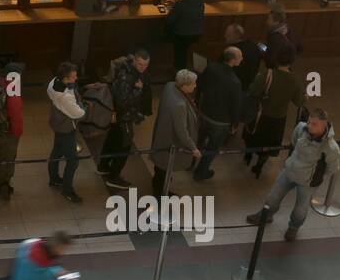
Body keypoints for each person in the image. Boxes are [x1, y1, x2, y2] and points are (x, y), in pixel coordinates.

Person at [247, 108, 340, 241]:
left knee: (300, 209)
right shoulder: (301, 128)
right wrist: (290, 163)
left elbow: (332, 168)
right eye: (309, 122)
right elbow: (293, 142)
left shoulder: (331, 147)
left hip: (308, 182)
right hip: (289, 171)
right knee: (273, 197)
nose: (309, 126)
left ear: (324, 125)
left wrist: (315, 176)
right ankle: (265, 216)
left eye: (314, 124)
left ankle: (293, 228)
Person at [242, 51, 305, 177]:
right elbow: (299, 102)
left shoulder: (267, 74)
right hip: (278, 119)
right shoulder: (294, 80)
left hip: (260, 115)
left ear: (276, 60)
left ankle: (248, 156)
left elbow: (252, 91)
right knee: (270, 144)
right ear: (291, 62)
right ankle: (258, 167)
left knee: (252, 137)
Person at [99, 48, 149, 191]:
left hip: (119, 116)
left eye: (146, 65)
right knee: (124, 146)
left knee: (113, 138)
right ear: (134, 61)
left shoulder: (129, 71)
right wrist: (138, 90)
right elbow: (123, 101)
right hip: (124, 116)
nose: (143, 68)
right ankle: (114, 177)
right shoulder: (127, 76)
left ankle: (103, 166)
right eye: (140, 64)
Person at [194, 47, 243, 181]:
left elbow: (200, 84)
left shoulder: (211, 68)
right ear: (233, 60)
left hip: (204, 113)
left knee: (198, 140)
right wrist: (235, 124)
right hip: (220, 122)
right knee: (212, 148)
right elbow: (235, 106)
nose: (242, 59)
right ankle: (201, 172)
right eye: (240, 57)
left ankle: (190, 162)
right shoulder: (235, 82)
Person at [150, 69, 200, 197]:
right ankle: (160, 196)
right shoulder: (180, 105)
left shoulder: (170, 86)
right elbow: (182, 131)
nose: (195, 85)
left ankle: (158, 187)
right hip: (170, 142)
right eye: (193, 83)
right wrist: (193, 148)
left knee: (160, 169)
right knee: (164, 171)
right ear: (184, 85)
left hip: (161, 135)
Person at [45, 62, 87, 204]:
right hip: (66, 129)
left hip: (58, 125)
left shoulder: (53, 83)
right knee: (73, 161)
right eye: (73, 77)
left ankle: (54, 179)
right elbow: (79, 114)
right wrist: (83, 105)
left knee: (56, 152)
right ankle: (67, 190)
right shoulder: (64, 97)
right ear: (65, 79)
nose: (75, 79)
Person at [0, 61, 25, 199]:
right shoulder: (13, 93)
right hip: (7, 132)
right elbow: (15, 117)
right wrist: (17, 133)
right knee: (8, 158)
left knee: (4, 156)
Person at [164, 0, 205, 71]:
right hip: (197, 34)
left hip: (182, 35)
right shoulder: (200, 0)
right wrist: (176, 4)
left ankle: (178, 69)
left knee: (179, 51)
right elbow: (188, 7)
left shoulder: (181, 4)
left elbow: (169, 20)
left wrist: (173, 8)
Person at [225, 23, 261, 92]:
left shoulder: (231, 51)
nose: (225, 36)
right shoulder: (253, 45)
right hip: (250, 83)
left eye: (228, 35)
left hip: (234, 86)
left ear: (236, 36)